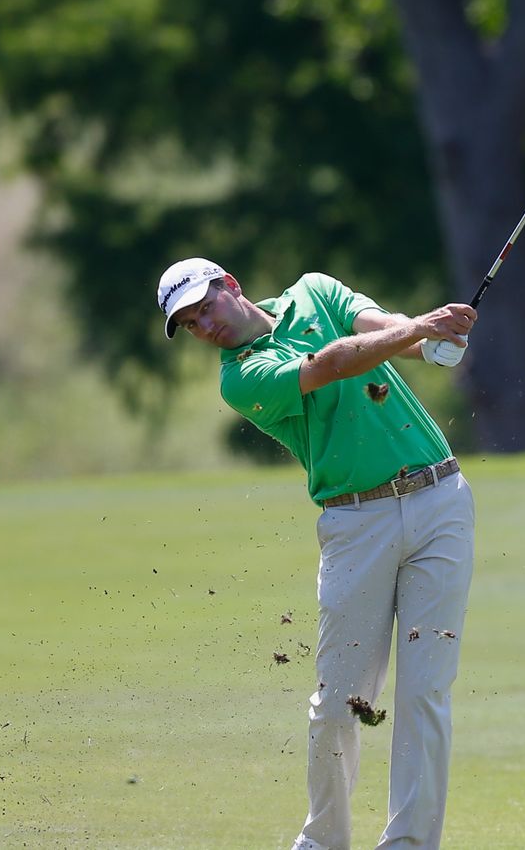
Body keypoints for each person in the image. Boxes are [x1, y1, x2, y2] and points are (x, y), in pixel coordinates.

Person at [156, 257, 477, 850]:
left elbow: (379, 327)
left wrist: (431, 340)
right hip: (357, 522)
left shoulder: (314, 292)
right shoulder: (243, 377)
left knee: (425, 691)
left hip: (441, 501)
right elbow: (331, 363)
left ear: (232, 286)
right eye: (193, 325)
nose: (207, 326)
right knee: (340, 702)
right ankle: (323, 842)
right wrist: (419, 330)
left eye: (207, 308)